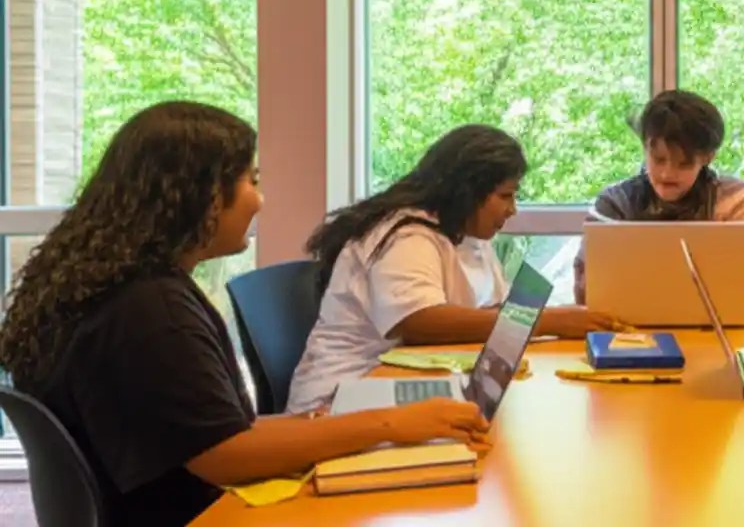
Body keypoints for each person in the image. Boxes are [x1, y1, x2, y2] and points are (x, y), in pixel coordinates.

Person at [0, 102, 489, 527]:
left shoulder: (116, 286)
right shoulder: (150, 310)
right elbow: (225, 457)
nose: (260, 199)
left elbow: (211, 433)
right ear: (198, 194)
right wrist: (394, 425)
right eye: (250, 180)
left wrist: (316, 429)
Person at [288, 124, 620, 415]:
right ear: (468, 191)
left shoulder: (467, 234)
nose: (512, 209)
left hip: (402, 382)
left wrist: (558, 316)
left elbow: (492, 310)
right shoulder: (407, 233)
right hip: (341, 397)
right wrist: (549, 321)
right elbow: (418, 321)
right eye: (505, 195)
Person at [574, 90, 744, 306]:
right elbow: (585, 290)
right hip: (632, 335)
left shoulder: (734, 199)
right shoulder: (614, 204)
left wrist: (664, 296)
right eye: (658, 160)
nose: (667, 174)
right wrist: (698, 295)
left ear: (707, 157)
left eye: (683, 164)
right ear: (645, 147)